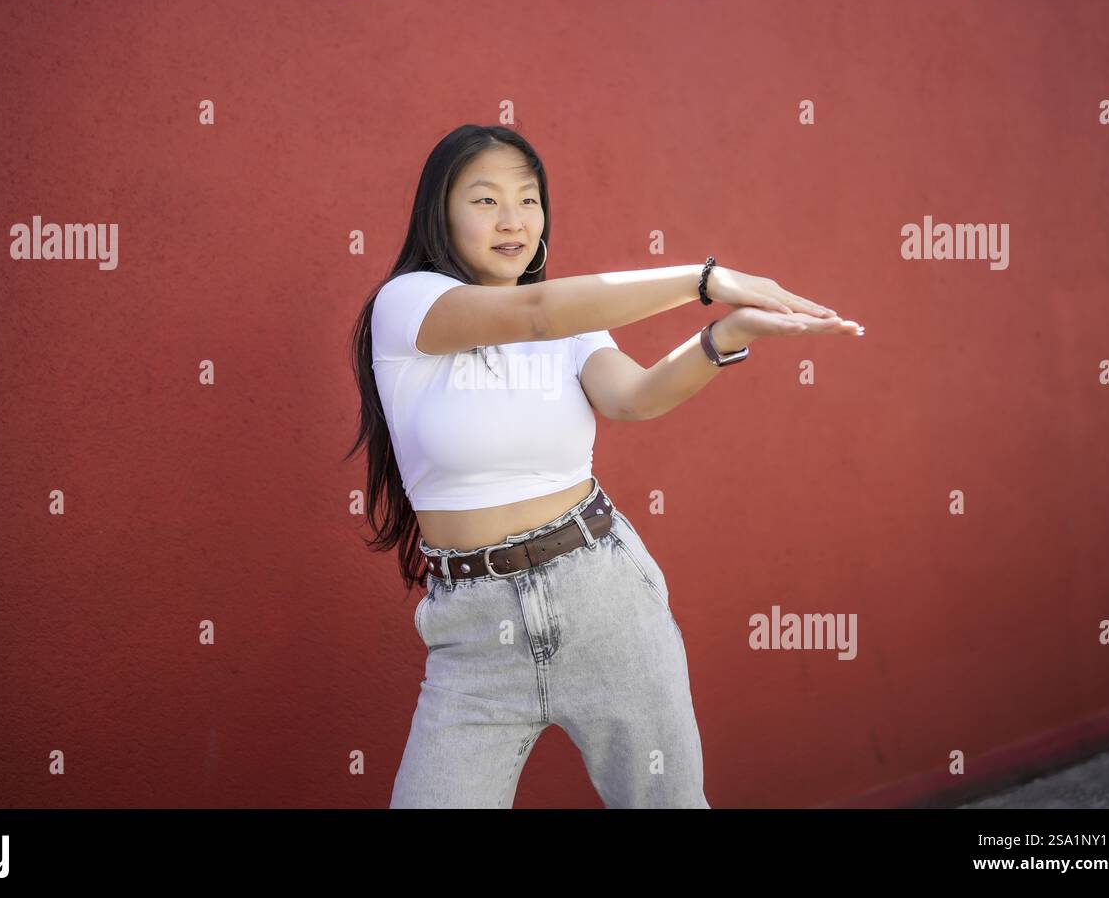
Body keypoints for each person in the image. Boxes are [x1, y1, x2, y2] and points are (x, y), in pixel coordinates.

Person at [345, 124, 863, 808]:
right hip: (473, 631)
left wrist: (726, 334)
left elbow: (635, 397)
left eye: (529, 200)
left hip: (605, 598)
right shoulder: (408, 304)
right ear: (439, 214)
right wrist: (705, 279)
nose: (512, 220)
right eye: (485, 200)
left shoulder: (571, 326)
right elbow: (533, 312)